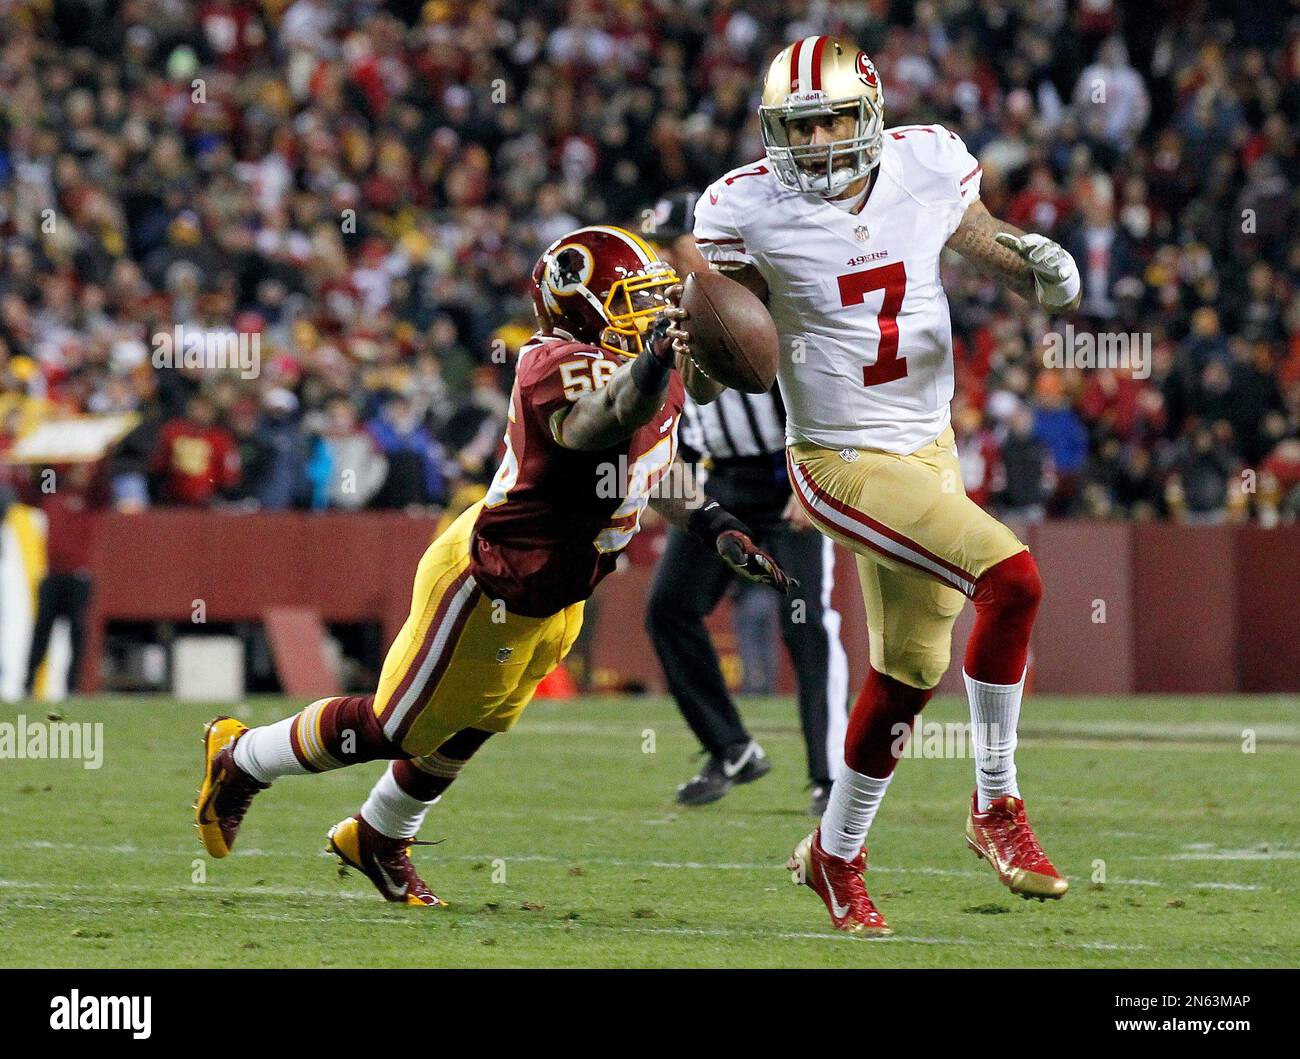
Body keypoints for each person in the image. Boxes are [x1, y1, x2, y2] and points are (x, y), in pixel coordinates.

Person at [194, 226, 793, 905]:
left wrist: (712, 519)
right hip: (492, 577)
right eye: (631, 302)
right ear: (580, 307)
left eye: (654, 301)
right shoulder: (555, 364)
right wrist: (657, 360)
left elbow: (653, 466)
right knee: (395, 726)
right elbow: (603, 417)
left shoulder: (647, 369)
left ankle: (379, 835)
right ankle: (242, 756)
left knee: (479, 719)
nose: (650, 316)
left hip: (563, 587)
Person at [694, 37, 1081, 935]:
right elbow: (729, 358)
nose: (821, 138)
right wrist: (701, 358)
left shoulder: (927, 162)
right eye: (801, 125)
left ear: (870, 115)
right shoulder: (745, 208)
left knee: (909, 669)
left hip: (928, 444)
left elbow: (986, 243)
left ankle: (834, 853)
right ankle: (996, 807)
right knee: (1012, 579)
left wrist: (1043, 273)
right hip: (838, 458)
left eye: (833, 118)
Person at [642, 192, 849, 815]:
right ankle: (730, 747)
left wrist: (810, 478)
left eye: (672, 243)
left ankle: (830, 777)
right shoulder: (662, 309)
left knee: (806, 622)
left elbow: (821, 384)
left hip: (786, 475)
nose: (662, 258)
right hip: (720, 483)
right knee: (670, 608)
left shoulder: (762, 293)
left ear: (704, 241)